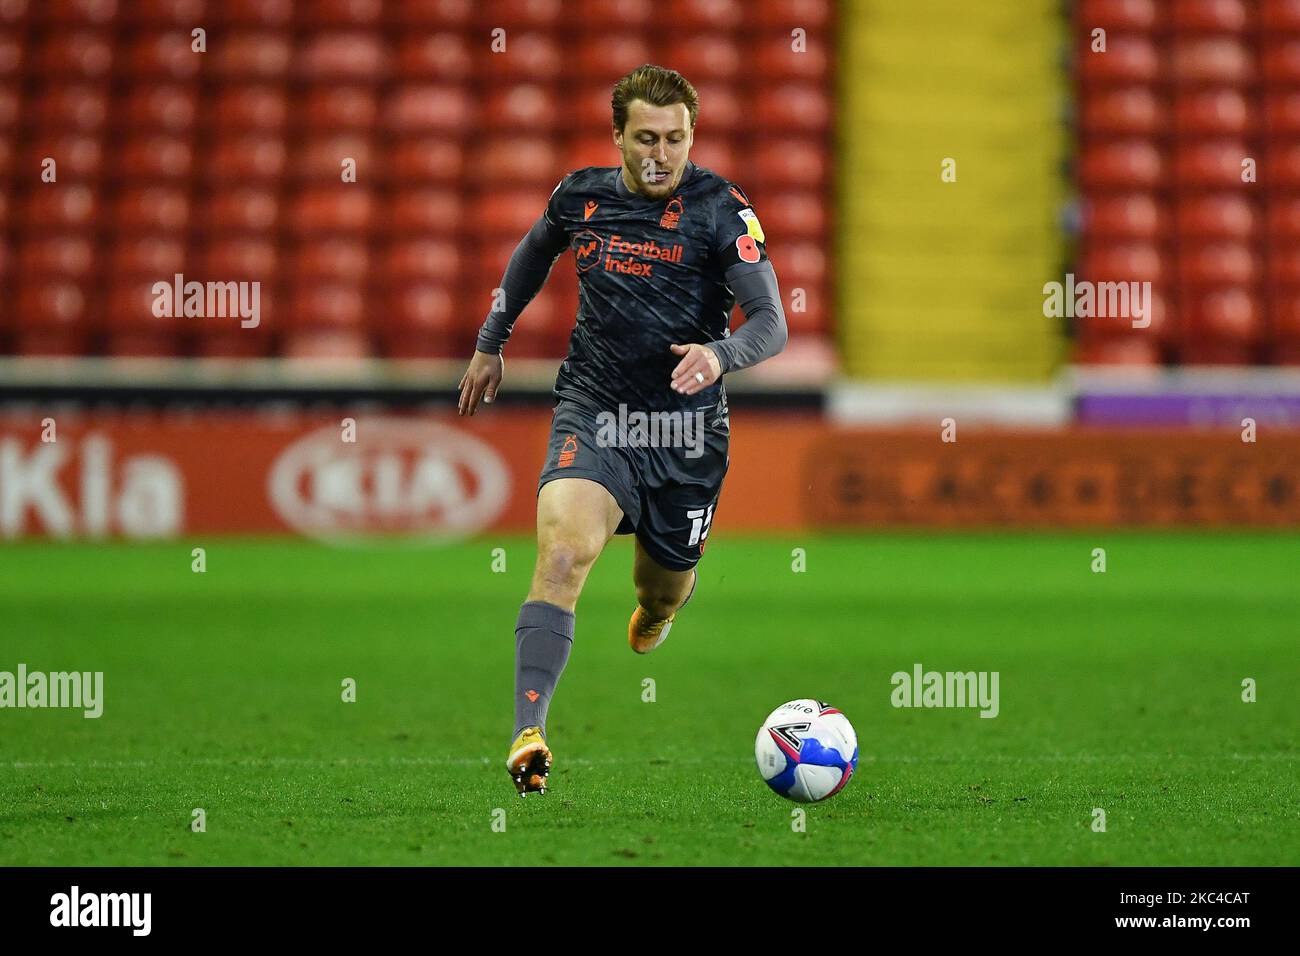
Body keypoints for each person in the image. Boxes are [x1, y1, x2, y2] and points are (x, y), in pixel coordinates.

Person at [457, 64, 789, 796]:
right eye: (646, 138)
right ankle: (528, 731)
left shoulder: (722, 210)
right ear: (618, 136)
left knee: (662, 591)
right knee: (565, 553)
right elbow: (532, 253)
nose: (661, 154)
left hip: (684, 434)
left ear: (691, 136)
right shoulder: (580, 197)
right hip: (596, 409)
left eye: (676, 139)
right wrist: (492, 341)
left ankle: (661, 605)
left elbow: (772, 322)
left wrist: (719, 353)